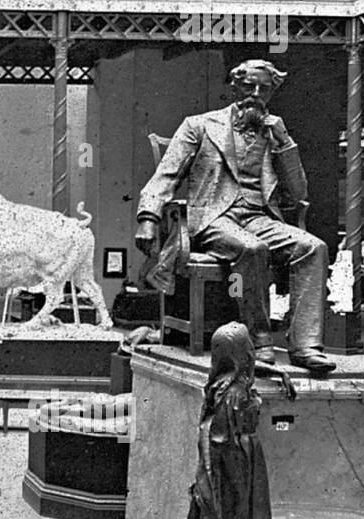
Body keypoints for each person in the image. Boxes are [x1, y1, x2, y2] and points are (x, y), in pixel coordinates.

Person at [135, 60, 334, 373]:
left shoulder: (274, 133)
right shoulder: (199, 125)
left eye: (264, 89)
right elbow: (166, 175)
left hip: (260, 217)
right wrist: (148, 217)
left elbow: (297, 193)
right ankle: (259, 337)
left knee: (313, 248)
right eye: (248, 86)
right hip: (214, 218)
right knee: (251, 248)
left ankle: (305, 346)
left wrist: (284, 142)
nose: (255, 94)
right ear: (234, 86)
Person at [167, 322, 276, 519]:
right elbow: (221, 443)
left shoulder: (232, 382)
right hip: (230, 475)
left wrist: (276, 373)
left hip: (241, 467)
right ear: (243, 354)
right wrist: (240, 488)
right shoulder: (233, 393)